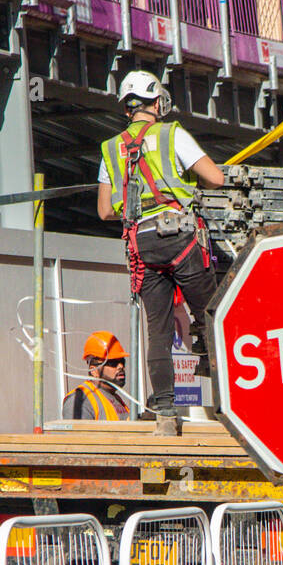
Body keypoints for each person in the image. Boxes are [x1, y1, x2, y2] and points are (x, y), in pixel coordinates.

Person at [98, 70, 225, 435]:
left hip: (142, 244)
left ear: (126, 109)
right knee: (213, 317)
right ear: (157, 102)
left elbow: (106, 211)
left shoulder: (110, 148)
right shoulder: (172, 134)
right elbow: (215, 178)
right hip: (180, 237)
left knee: (158, 329)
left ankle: (165, 414)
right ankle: (233, 401)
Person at [63, 331, 129, 421]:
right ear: (94, 371)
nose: (120, 366)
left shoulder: (114, 398)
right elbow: (79, 435)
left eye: (122, 361)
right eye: (113, 363)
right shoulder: (80, 400)